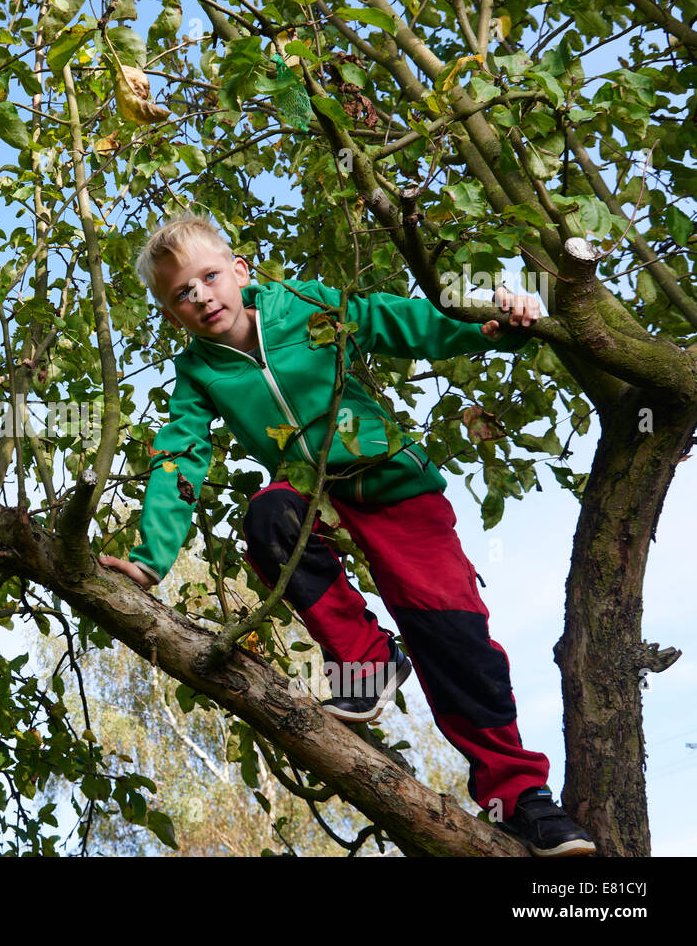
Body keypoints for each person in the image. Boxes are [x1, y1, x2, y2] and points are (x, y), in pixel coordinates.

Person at [99, 216, 596, 857]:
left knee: (456, 640)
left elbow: (400, 321)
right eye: (180, 294)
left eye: (209, 277)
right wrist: (148, 561)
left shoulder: (309, 305)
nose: (199, 297)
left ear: (241, 271)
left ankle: (522, 801)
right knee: (267, 518)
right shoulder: (196, 373)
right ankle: (366, 659)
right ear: (170, 313)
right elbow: (179, 457)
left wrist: (489, 327)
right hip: (310, 492)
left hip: (390, 482)